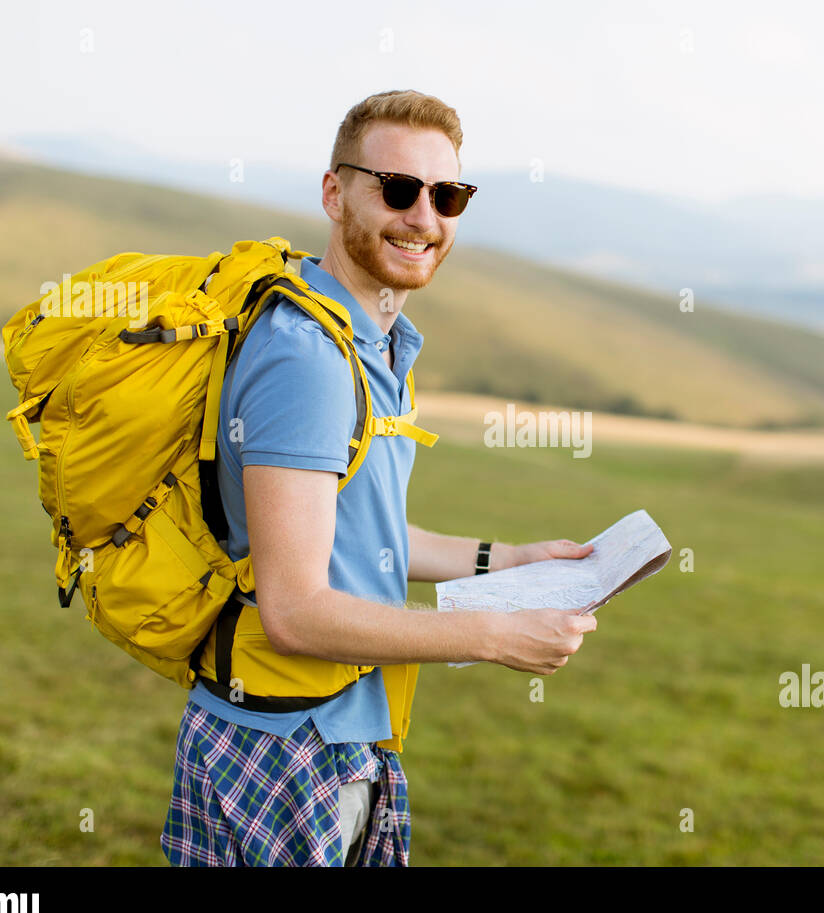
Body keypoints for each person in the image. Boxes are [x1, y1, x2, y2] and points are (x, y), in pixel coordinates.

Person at [160, 89, 598, 866]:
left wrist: (511, 560)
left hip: (342, 730)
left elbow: (360, 539)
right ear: (335, 194)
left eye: (448, 195)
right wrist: (494, 635)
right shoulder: (307, 360)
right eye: (396, 190)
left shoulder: (372, 345)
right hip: (283, 747)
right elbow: (297, 611)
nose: (423, 218)